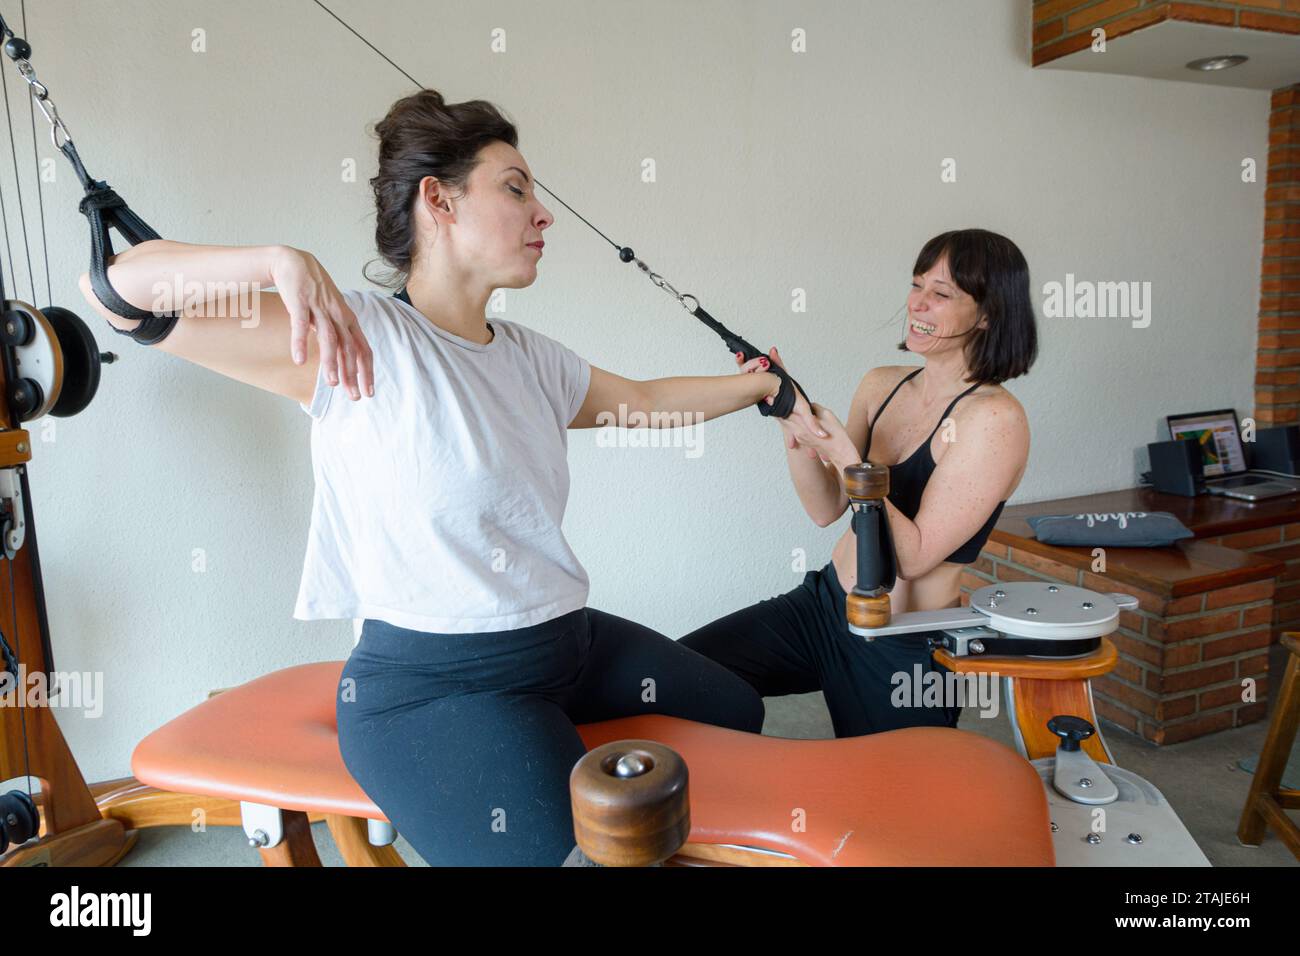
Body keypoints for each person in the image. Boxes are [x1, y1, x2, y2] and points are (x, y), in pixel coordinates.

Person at [77, 89, 826, 866]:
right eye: (515, 188)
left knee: (734, 711)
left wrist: (763, 389)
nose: (544, 214)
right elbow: (119, 289)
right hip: (434, 688)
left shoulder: (530, 356)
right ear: (438, 200)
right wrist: (276, 262)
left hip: (570, 644)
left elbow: (641, 403)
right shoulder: (356, 336)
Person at [679, 229, 1037, 738]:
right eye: (916, 285)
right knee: (674, 676)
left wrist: (846, 455)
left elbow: (911, 557)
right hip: (824, 606)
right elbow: (825, 507)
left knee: (891, 809)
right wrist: (792, 423)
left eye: (942, 294)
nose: (918, 303)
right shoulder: (881, 384)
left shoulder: (996, 419)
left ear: (988, 314)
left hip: (903, 639)